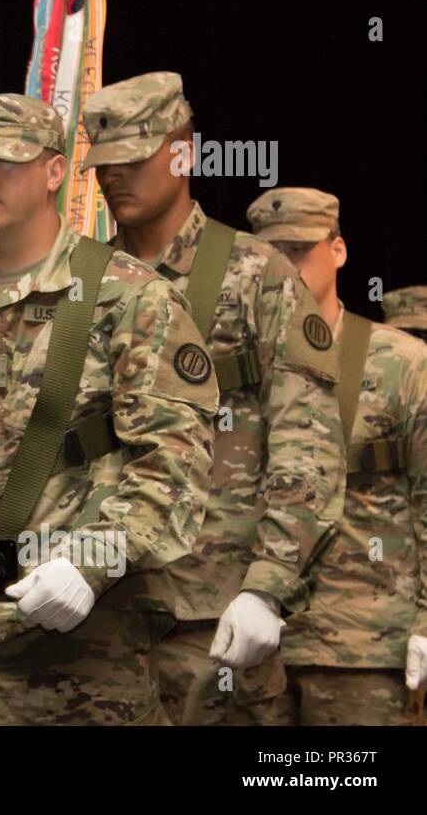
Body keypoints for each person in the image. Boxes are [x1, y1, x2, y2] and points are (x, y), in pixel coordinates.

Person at [0, 93, 218, 725]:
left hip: (82, 631)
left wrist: (92, 560)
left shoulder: (129, 298)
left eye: (3, 159)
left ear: (53, 172)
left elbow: (175, 460)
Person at [82, 72, 346, 725]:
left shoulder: (258, 275)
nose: (115, 177)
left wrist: (269, 587)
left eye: (135, 159)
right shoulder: (78, 280)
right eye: (104, 163)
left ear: (183, 155)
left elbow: (308, 441)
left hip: (215, 614)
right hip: (92, 615)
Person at [247, 188, 427, 724]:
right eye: (271, 257)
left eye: (300, 251)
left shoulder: (401, 363)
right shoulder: (231, 365)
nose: (288, 270)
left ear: (339, 250)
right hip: (249, 644)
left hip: (362, 647)